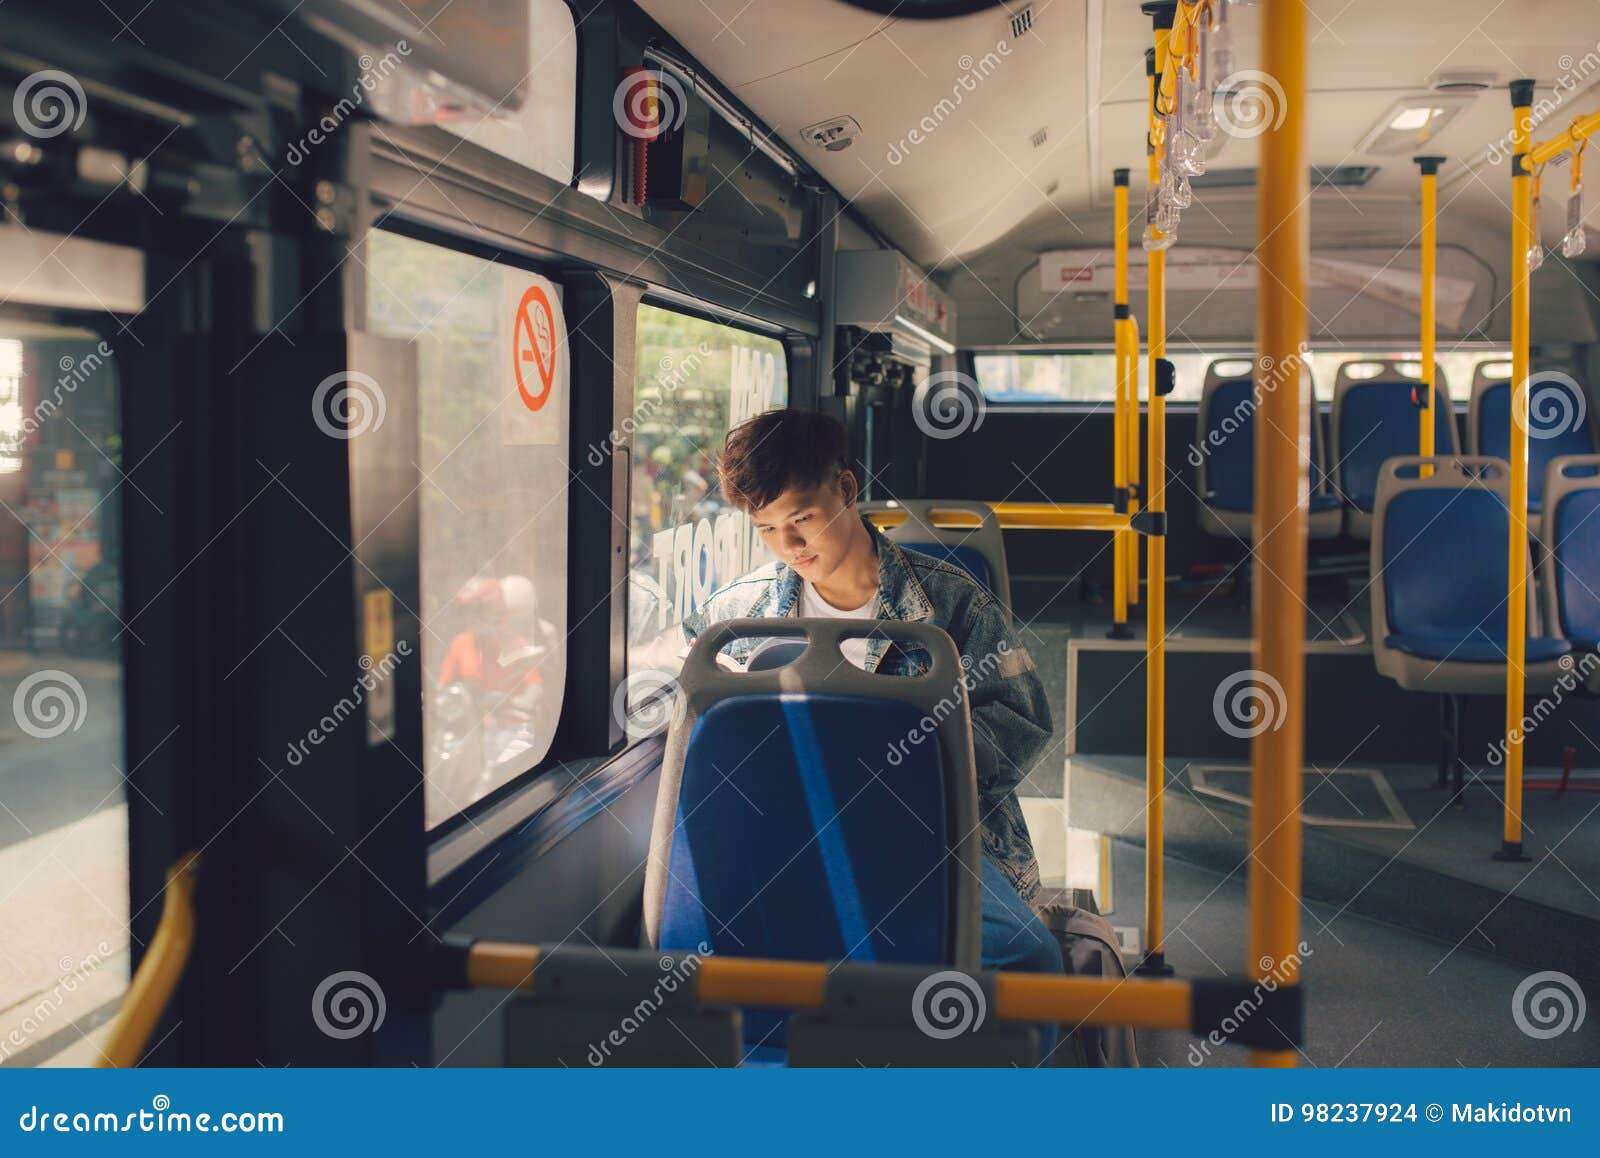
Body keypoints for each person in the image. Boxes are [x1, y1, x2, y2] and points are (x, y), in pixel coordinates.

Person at [674, 408, 1064, 992]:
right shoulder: (738, 615)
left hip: (923, 832)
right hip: (778, 829)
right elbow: (681, 701)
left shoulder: (951, 604)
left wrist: (903, 773)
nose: (790, 545)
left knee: (1028, 962)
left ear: (847, 489)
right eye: (767, 530)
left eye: (802, 518)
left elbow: (1021, 719)